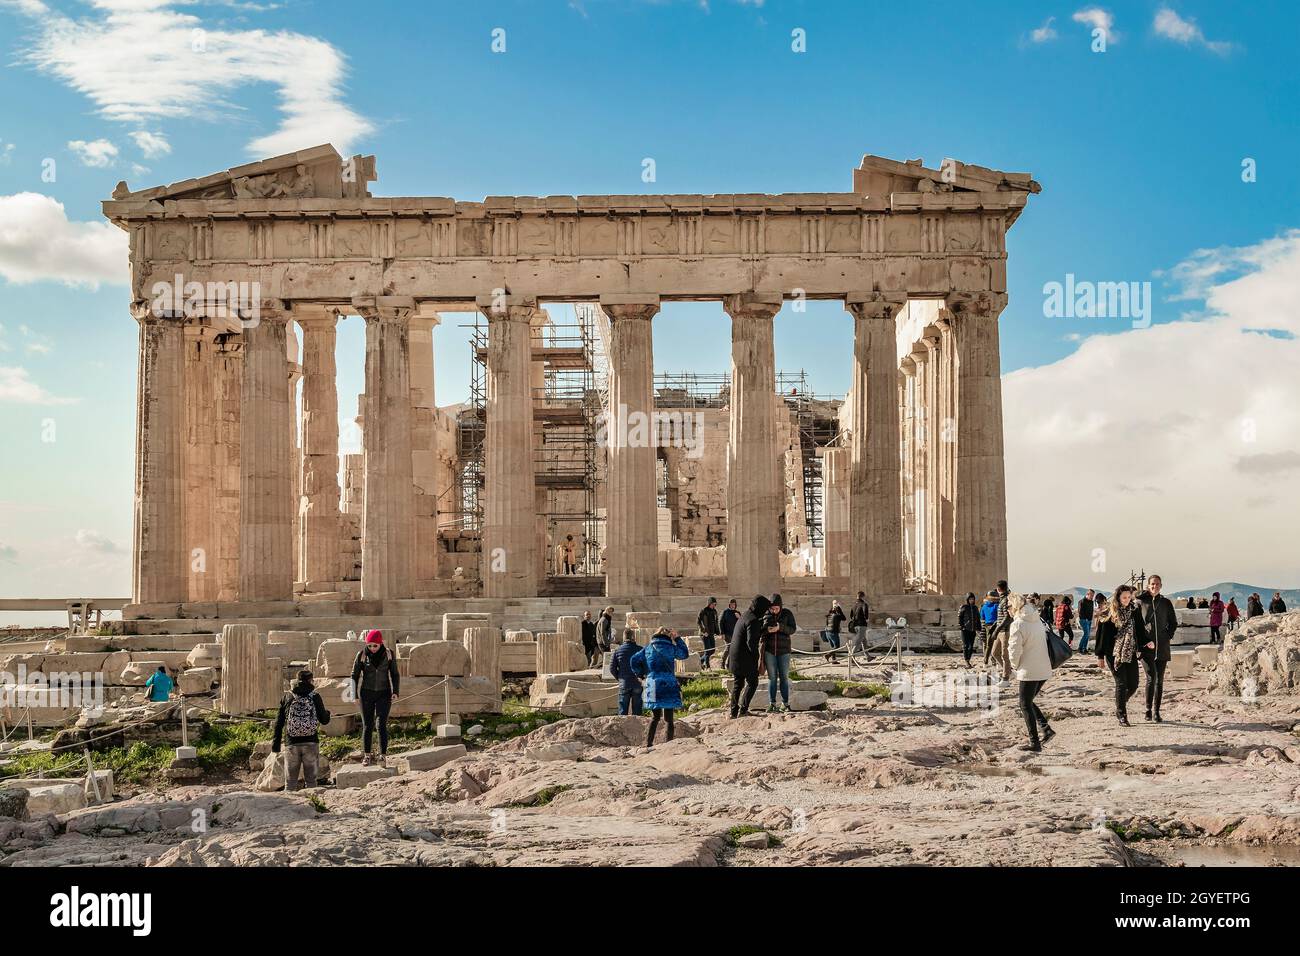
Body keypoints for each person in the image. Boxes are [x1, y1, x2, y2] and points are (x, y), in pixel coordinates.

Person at [1093, 584, 1149, 726]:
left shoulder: (1134, 610)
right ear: (1118, 597)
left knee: (1134, 684)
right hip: (1114, 653)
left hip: (1129, 651)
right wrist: (1100, 656)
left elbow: (1140, 629)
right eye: (1124, 597)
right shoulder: (1109, 613)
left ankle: (1120, 702)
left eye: (1129, 597)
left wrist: (1147, 642)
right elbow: (1101, 635)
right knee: (1121, 683)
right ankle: (1122, 715)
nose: (1127, 600)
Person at [1007, 593, 1055, 752]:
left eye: (1008, 606)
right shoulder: (1037, 620)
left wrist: (1014, 667)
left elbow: (1014, 650)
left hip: (1029, 670)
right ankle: (1046, 729)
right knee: (1028, 700)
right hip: (1043, 668)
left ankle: (1035, 743)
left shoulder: (1018, 624)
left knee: (1024, 704)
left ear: (1014, 606)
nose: (1006, 609)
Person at [272, 669, 331, 791]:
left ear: (296, 680)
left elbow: (279, 723)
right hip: (311, 742)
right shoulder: (315, 696)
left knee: (290, 783)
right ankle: (314, 805)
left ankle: (290, 807)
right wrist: (328, 713)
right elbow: (324, 720)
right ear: (310, 680)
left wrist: (276, 746)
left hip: (291, 743)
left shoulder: (287, 696)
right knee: (311, 782)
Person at [631, 628, 690, 746]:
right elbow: (684, 654)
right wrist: (677, 638)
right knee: (669, 719)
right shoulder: (671, 648)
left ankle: (648, 743)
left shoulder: (648, 648)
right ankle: (668, 744)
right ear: (668, 636)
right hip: (668, 682)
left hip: (652, 683)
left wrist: (640, 674)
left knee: (655, 717)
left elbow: (634, 660)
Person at [351, 629, 400, 767]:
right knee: (368, 725)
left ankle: (382, 756)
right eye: (370, 645)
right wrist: (353, 694)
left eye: (375, 645)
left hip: (384, 693)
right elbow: (354, 676)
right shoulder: (361, 655)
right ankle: (367, 756)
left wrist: (396, 691)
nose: (372, 648)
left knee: (381, 725)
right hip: (366, 694)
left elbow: (395, 674)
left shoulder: (389, 654)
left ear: (380, 643)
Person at [1139, 574, 1178, 722]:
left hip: (1162, 647)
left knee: (1159, 680)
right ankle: (1148, 710)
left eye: (1157, 584)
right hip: (1146, 647)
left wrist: (1167, 636)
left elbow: (1173, 623)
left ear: (1161, 586)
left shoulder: (1166, 602)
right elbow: (1137, 624)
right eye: (1152, 584)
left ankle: (1156, 711)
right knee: (1151, 677)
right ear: (1148, 586)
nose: (1155, 586)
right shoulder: (1141, 602)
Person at [728, 595, 770, 718]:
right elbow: (751, 642)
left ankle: (733, 712)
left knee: (738, 684)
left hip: (735, 656)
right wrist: (757, 659)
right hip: (745, 657)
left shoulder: (745, 615)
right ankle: (743, 710)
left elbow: (751, 634)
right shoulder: (753, 620)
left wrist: (764, 630)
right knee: (753, 682)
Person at [762, 593, 797, 713]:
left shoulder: (787, 613)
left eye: (777, 608)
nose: (774, 611)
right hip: (769, 651)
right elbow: (761, 630)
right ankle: (772, 703)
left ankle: (785, 703)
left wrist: (780, 628)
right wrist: (767, 630)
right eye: (772, 608)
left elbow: (792, 629)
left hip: (784, 651)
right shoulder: (766, 614)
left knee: (784, 677)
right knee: (772, 678)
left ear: (781, 607)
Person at [609, 630, 643, 716]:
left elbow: (612, 668)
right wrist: (642, 677)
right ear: (633, 637)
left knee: (622, 712)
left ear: (624, 637)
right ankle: (637, 729)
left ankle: (622, 729)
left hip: (624, 683)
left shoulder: (617, 650)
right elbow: (646, 666)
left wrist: (619, 678)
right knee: (637, 712)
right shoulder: (640, 650)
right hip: (637, 683)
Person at [990, 580, 1014, 684]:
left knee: (1005, 655)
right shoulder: (1002, 599)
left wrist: (997, 629)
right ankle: (1009, 671)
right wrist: (996, 625)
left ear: (998, 589)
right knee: (994, 653)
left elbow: (1007, 618)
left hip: (1005, 631)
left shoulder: (1006, 600)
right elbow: (1001, 617)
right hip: (1000, 630)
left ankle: (1005, 679)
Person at [958, 592, 980, 668]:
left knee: (971, 646)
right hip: (965, 630)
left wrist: (979, 628)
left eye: (973, 599)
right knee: (965, 645)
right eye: (970, 599)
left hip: (972, 630)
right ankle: (966, 660)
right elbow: (960, 617)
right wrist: (961, 626)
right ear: (967, 599)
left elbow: (978, 619)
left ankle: (968, 659)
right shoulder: (963, 607)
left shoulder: (975, 608)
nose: (971, 600)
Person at [697, 597, 720, 669]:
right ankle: (707, 667)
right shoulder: (703, 611)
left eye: (715, 604)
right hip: (705, 634)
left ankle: (701, 660)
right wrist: (703, 631)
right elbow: (698, 622)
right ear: (709, 603)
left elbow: (716, 622)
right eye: (713, 604)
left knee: (712, 650)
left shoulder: (715, 611)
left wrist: (718, 632)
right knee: (707, 650)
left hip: (711, 633)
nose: (714, 605)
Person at [848, 591, 871, 659]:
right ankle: (851, 658)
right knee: (858, 642)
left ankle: (867, 656)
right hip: (862, 625)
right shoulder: (864, 604)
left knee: (864, 640)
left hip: (855, 625)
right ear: (863, 596)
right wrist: (866, 619)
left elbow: (851, 615)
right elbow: (865, 612)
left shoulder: (853, 605)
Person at [718, 598, 739, 669]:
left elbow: (742, 623)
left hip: (735, 634)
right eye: (731, 604)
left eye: (734, 604)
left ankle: (729, 664)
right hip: (726, 634)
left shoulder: (737, 613)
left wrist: (739, 617)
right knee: (729, 647)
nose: (733, 606)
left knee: (732, 649)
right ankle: (722, 663)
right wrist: (722, 633)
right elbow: (720, 622)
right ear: (729, 605)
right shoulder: (725, 612)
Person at [980, 590, 1000, 663]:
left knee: (989, 644)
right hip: (994, 626)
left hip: (988, 626)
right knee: (993, 644)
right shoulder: (996, 606)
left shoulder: (984, 606)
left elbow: (982, 618)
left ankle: (987, 660)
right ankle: (990, 659)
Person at [1078, 589, 1095, 653]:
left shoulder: (1091, 602)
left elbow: (1091, 611)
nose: (1092, 597)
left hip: (1089, 620)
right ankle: (1080, 648)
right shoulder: (1081, 601)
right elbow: (1080, 612)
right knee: (1086, 634)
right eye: (1091, 595)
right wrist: (1085, 619)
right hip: (1083, 620)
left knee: (1087, 635)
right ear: (1087, 594)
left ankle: (1084, 649)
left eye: (1093, 595)